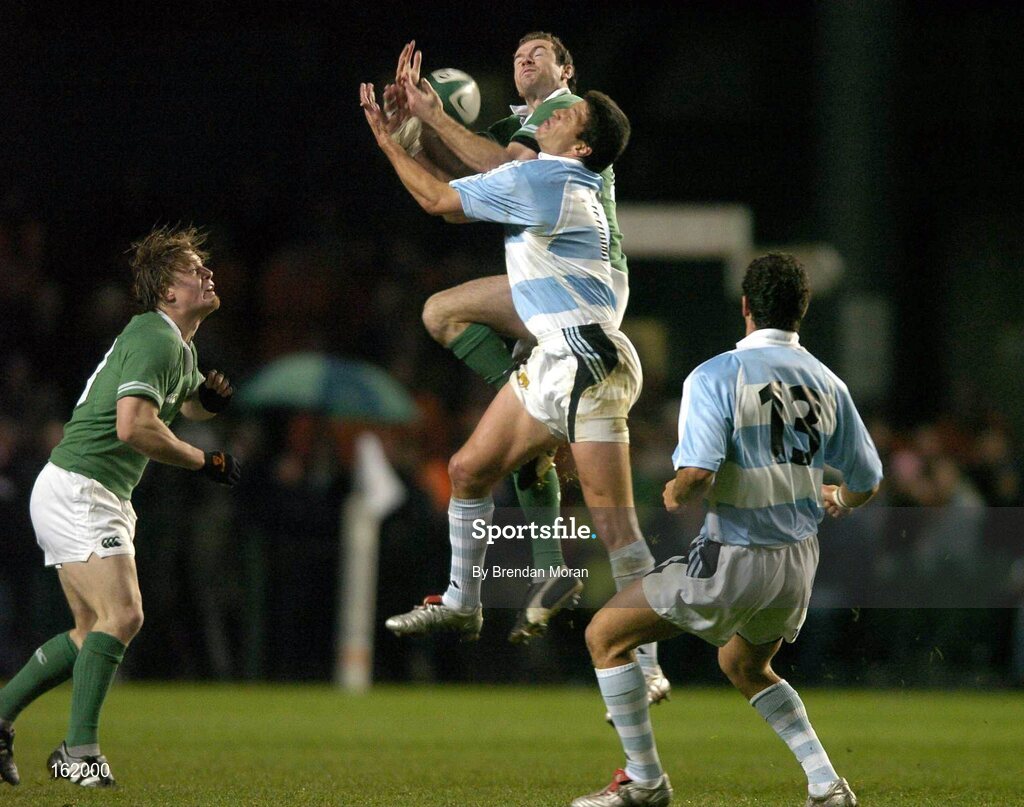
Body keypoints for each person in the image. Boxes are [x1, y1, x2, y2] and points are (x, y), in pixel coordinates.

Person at [361, 79, 666, 692]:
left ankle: (650, 664)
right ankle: (462, 600)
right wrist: (422, 132)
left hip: (587, 355)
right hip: (555, 353)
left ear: (580, 146)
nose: (551, 116)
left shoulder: (548, 180)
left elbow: (438, 201)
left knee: (617, 529)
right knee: (469, 469)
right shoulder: (547, 177)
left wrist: (393, 143)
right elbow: (469, 177)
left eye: (567, 113)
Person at [572, 254, 883, 807]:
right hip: (797, 562)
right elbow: (869, 478)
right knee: (743, 664)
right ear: (801, 313)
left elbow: (698, 473)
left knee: (605, 635)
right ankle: (826, 784)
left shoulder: (716, 375)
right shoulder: (827, 382)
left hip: (735, 557)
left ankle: (644, 783)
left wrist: (674, 492)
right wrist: (839, 496)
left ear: (744, 307)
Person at [0, 226, 241, 788]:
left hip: (84, 487)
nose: (206, 273)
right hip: (82, 487)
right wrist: (202, 462)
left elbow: (175, 404)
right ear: (167, 293)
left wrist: (203, 403)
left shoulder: (177, 346)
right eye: (191, 268)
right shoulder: (158, 340)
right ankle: (79, 751)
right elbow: (133, 425)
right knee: (124, 615)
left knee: (91, 630)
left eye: (205, 265)